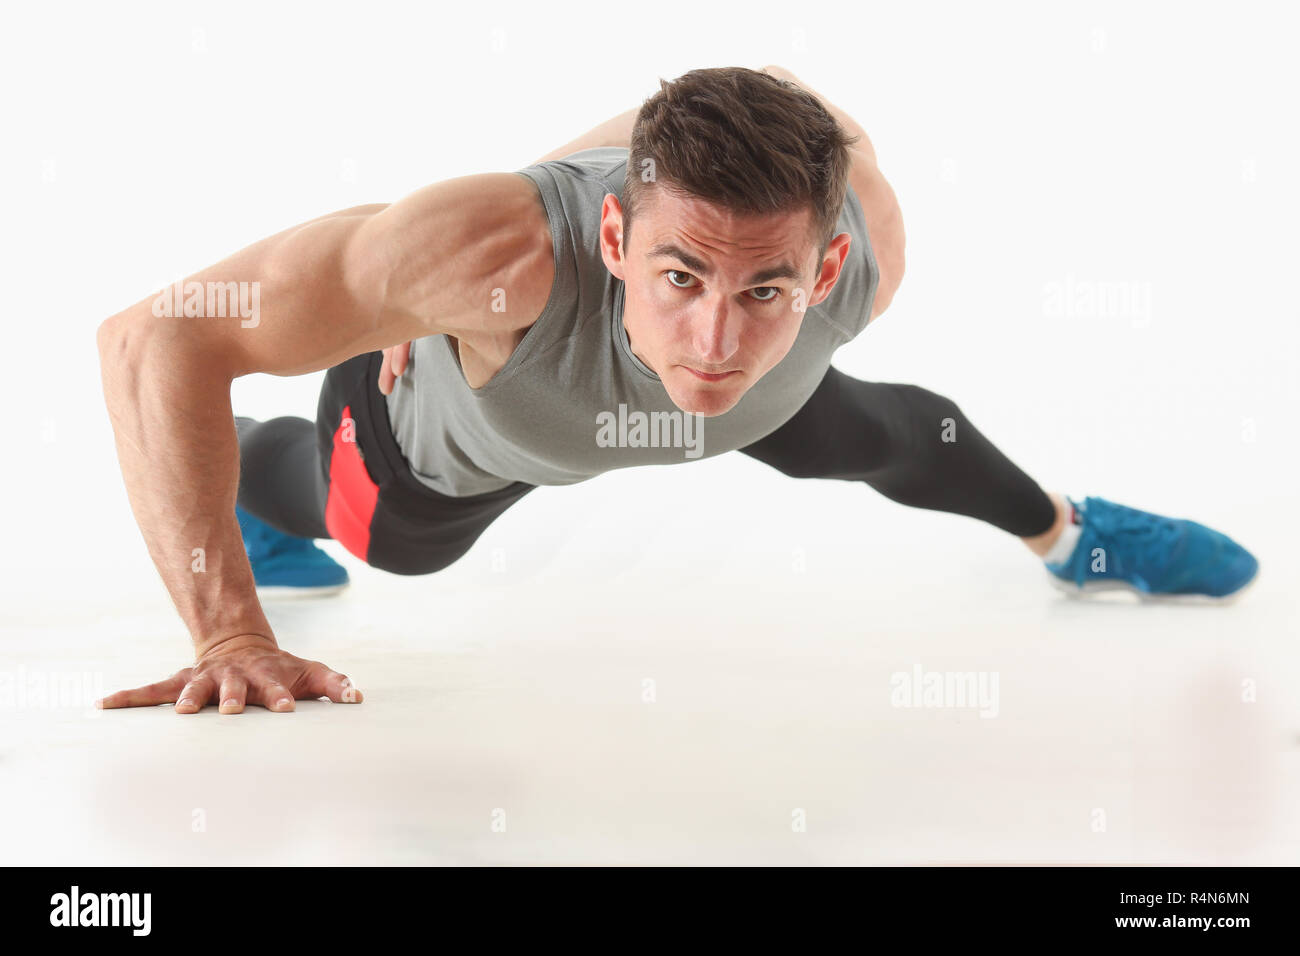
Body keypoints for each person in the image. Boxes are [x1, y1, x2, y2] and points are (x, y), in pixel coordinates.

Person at [95, 66, 1258, 716]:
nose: (712, 337)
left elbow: (790, 104)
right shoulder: (480, 258)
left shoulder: (866, 242)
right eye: (679, 273)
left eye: (766, 286)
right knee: (382, 534)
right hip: (463, 429)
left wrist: (736, 298)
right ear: (612, 233)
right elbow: (150, 342)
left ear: (828, 264)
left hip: (725, 370)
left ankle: (1077, 540)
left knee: (893, 430)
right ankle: (253, 481)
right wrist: (229, 624)